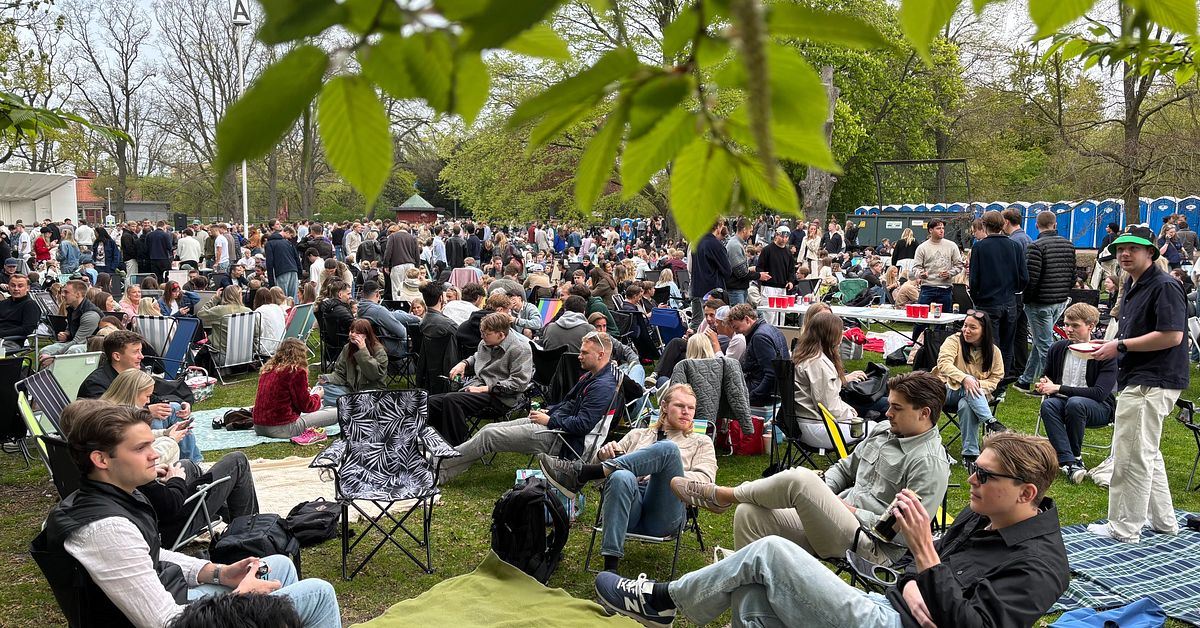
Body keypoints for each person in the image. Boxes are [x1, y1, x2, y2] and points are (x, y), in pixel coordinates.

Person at [596, 432, 1069, 628]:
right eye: (975, 467)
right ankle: (727, 509)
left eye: (985, 475)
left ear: (1026, 492)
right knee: (751, 601)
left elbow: (969, 623)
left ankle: (664, 601)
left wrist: (927, 561)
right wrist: (915, 581)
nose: (972, 479)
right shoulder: (982, 513)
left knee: (773, 554)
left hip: (884, 594)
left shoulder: (1042, 566)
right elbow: (918, 578)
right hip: (887, 600)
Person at [31, 400, 341, 628]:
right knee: (319, 592)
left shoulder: (106, 496)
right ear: (101, 459)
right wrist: (242, 598)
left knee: (279, 566)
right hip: (173, 617)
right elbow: (166, 623)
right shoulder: (105, 529)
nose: (154, 454)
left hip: (171, 598)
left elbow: (150, 554)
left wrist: (217, 571)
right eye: (140, 448)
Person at [677, 370, 948, 566]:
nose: (888, 413)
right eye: (889, 405)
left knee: (802, 479)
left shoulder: (928, 463)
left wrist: (848, 509)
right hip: (835, 521)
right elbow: (844, 469)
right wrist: (823, 494)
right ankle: (753, 613)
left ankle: (724, 495)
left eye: (897, 408)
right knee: (749, 514)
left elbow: (901, 536)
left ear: (924, 413)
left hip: (871, 547)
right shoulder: (883, 431)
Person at [538, 384, 716, 573]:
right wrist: (602, 456)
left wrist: (662, 471)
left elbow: (706, 481)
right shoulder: (636, 435)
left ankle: (584, 473)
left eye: (691, 408)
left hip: (664, 512)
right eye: (680, 406)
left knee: (668, 450)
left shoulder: (700, 441)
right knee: (621, 474)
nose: (686, 412)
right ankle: (610, 570)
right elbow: (600, 484)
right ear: (664, 406)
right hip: (628, 508)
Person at [1087, 226, 1188, 543]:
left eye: (1132, 248)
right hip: (1139, 376)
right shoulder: (1132, 284)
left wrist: (1120, 346)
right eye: (1120, 249)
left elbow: (1172, 335)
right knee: (1148, 453)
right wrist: (1111, 345)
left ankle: (1124, 527)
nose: (1124, 254)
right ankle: (1164, 522)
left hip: (1153, 379)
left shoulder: (1164, 286)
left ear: (1150, 252)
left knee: (1131, 457)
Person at [438, 331, 618, 483]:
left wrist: (551, 419)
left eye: (584, 353)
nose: (579, 356)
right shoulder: (594, 376)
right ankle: (444, 463)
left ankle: (439, 468)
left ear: (601, 355)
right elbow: (570, 404)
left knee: (489, 436)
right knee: (489, 428)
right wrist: (550, 411)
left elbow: (583, 425)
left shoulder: (602, 386)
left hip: (565, 441)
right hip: (557, 428)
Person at [1035, 303, 1116, 483]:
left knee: (1076, 403)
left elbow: (1099, 393)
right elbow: (1046, 376)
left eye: (1075, 326)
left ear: (1091, 326)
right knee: (1048, 404)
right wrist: (1044, 384)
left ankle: (1073, 457)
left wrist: (1058, 388)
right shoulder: (1057, 348)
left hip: (1099, 408)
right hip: (1062, 402)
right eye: (1066, 324)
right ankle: (1071, 462)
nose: (1069, 330)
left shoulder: (1105, 352)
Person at [427, 312, 533, 446]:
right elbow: (477, 356)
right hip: (477, 387)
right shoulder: (486, 342)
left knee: (452, 401)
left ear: (501, 335)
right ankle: (436, 442)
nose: (482, 337)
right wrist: (464, 363)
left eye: (486, 334)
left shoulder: (520, 349)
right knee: (431, 402)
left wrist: (486, 389)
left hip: (500, 397)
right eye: (481, 332)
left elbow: (518, 383)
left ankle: (456, 449)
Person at [933, 308, 1006, 466]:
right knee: (969, 382)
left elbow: (996, 378)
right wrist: (964, 378)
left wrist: (976, 384)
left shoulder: (994, 352)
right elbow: (943, 364)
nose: (966, 330)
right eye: (965, 325)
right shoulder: (954, 341)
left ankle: (970, 454)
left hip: (974, 397)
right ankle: (990, 421)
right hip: (947, 392)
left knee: (966, 404)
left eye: (973, 327)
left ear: (984, 331)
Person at [1017, 211, 1077, 391]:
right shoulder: (1068, 245)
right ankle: (1025, 379)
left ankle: (1052, 383)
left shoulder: (1036, 247)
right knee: (1040, 340)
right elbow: (1073, 276)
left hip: (1040, 302)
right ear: (1055, 225)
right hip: (1059, 300)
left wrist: (1026, 299)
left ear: (1037, 225)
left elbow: (1031, 279)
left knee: (1045, 346)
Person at [99, 367, 202, 465]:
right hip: (138, 467)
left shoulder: (118, 410)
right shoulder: (119, 421)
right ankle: (188, 465)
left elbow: (160, 400)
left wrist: (165, 432)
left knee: (173, 408)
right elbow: (144, 458)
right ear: (133, 393)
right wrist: (171, 440)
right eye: (147, 396)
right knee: (157, 419)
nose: (148, 401)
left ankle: (194, 461)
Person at [969, 210, 1027, 379]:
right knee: (1007, 344)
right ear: (1002, 225)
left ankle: (991, 378)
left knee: (991, 343)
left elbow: (974, 278)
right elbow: (1024, 276)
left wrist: (977, 297)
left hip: (988, 301)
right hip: (1009, 301)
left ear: (985, 226)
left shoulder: (979, 246)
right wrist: (1014, 290)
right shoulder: (1014, 246)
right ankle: (1002, 377)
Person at [251, 339, 338, 443]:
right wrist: (317, 396)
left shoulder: (268, 370)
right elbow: (306, 406)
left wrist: (304, 392)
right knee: (338, 411)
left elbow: (280, 396)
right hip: (282, 428)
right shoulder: (296, 371)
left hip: (259, 427)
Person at [725, 303, 787, 420]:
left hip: (762, 393)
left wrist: (751, 397)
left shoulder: (759, 337)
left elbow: (771, 374)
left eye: (737, 328)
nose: (737, 332)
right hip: (774, 391)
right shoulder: (771, 329)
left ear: (747, 319)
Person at [911, 219, 964, 346]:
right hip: (927, 287)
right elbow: (915, 268)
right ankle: (914, 345)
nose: (941, 230)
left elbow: (959, 265)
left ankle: (936, 346)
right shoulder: (922, 247)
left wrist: (950, 273)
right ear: (930, 230)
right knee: (921, 320)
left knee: (942, 320)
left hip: (945, 288)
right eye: (938, 228)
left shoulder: (951, 246)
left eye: (942, 228)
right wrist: (921, 274)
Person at [318, 319, 388, 408]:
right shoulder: (347, 348)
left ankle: (348, 405)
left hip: (371, 392)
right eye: (352, 331)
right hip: (350, 390)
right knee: (320, 387)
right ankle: (351, 405)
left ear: (366, 335)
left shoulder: (379, 351)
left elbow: (374, 375)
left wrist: (363, 350)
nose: (353, 335)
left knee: (365, 399)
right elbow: (340, 373)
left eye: (358, 333)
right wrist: (327, 379)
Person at [39, 279, 102, 366]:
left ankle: (65, 376)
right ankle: (48, 377)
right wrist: (66, 333)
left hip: (93, 346)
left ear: (78, 295)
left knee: (73, 350)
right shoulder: (72, 308)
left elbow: (78, 341)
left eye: (66, 292)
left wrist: (53, 357)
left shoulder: (91, 315)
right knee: (45, 351)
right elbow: (71, 328)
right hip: (77, 342)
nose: (62, 295)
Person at [688, 222, 731, 330]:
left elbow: (690, 267)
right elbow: (727, 270)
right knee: (713, 324)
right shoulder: (715, 244)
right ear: (718, 227)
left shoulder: (696, 242)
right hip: (711, 290)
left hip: (697, 288)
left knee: (700, 323)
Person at [197, 285, 253, 363]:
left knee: (205, 347)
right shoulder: (248, 311)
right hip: (246, 355)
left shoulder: (219, 310)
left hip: (222, 355)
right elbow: (258, 331)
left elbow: (200, 314)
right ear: (238, 296)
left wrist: (215, 299)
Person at [0, 273, 40, 351]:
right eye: (13, 285)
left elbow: (27, 329)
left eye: (20, 286)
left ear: (28, 288)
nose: (16, 289)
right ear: (8, 287)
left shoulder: (30, 305)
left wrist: (2, 333)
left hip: (11, 341)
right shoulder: (3, 303)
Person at [253, 287, 287, 355]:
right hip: (282, 343)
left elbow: (256, 332)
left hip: (267, 348)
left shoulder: (258, 311)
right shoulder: (277, 308)